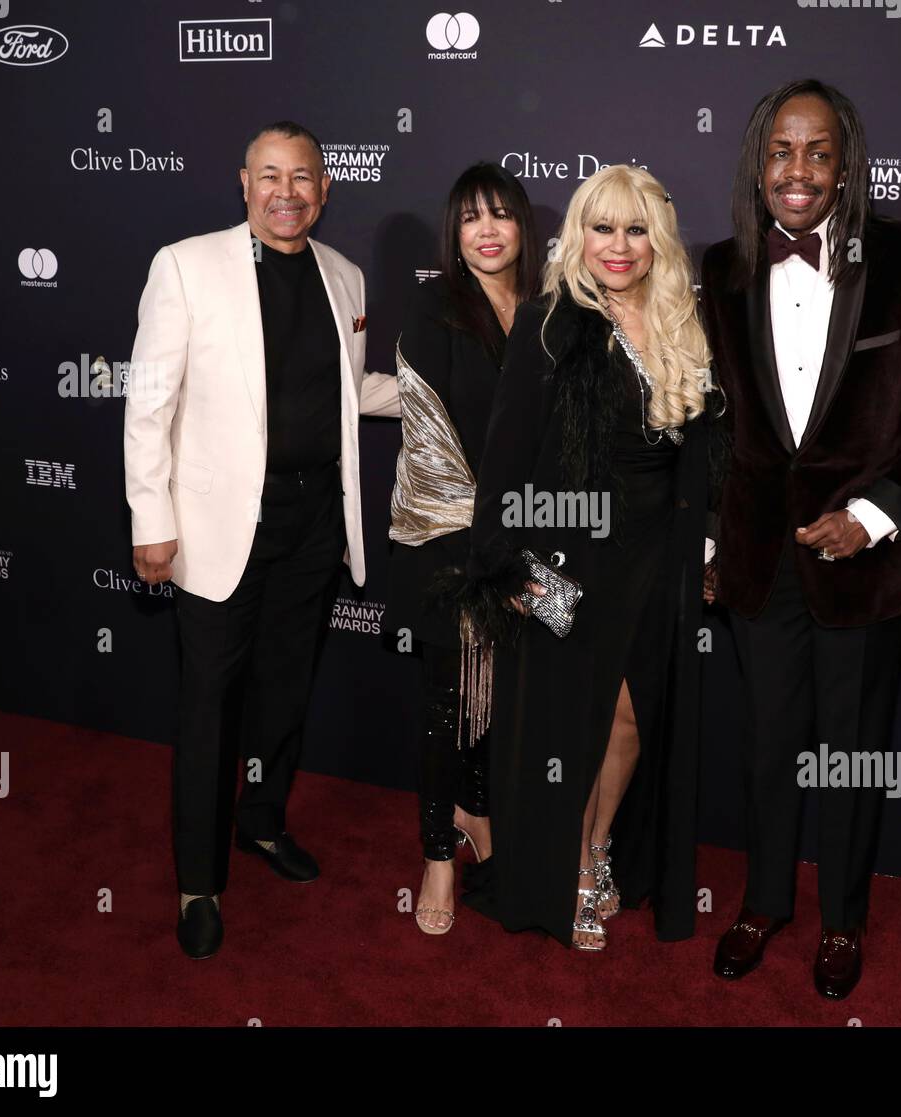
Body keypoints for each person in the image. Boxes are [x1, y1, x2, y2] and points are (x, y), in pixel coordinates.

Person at [702, 80, 901, 997]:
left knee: (852, 750)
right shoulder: (722, 268)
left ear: (846, 162)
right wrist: (713, 542)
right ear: (758, 161)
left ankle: (842, 920)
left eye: (817, 152)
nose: (797, 170)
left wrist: (871, 515)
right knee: (768, 745)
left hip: (861, 564)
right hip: (757, 560)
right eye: (781, 151)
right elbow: (715, 426)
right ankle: (765, 901)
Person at [123, 120, 399, 959]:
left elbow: (355, 390)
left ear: (326, 188)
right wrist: (151, 518)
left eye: (304, 177)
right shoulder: (187, 264)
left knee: (284, 695)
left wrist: (455, 389)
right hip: (214, 532)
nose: (288, 191)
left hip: (314, 529)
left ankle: (263, 823)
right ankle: (198, 880)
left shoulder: (344, 276)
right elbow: (148, 404)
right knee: (210, 709)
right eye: (270, 175)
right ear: (243, 183)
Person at [452, 165, 716, 950]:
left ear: (657, 238)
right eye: (603, 227)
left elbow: (703, 454)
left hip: (656, 561)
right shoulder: (549, 323)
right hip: (569, 561)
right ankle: (565, 866)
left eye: (636, 229)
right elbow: (503, 464)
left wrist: (705, 544)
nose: (619, 246)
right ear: (579, 233)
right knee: (574, 728)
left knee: (631, 718)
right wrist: (509, 567)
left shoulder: (683, 322)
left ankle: (599, 846)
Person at [385, 162, 541, 934]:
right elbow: (429, 441)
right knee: (448, 703)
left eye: (501, 215)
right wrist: (486, 540)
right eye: (472, 216)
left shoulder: (551, 309)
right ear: (456, 230)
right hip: (450, 540)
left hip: (531, 537)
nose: (486, 230)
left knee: (505, 696)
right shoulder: (435, 303)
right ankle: (437, 852)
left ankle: (480, 814)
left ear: (522, 227)